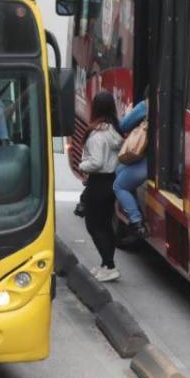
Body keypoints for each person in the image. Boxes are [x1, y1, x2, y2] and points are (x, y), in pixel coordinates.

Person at [78, 91, 123, 282]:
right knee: (105, 224)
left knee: (93, 225)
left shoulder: (97, 135)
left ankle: (110, 266)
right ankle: (105, 264)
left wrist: (82, 165)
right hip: (111, 181)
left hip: (98, 182)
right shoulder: (114, 131)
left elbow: (96, 162)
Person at [114, 98, 148, 238]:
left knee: (119, 186)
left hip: (148, 159)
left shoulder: (145, 105)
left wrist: (127, 113)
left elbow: (123, 126)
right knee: (120, 170)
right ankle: (137, 210)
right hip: (154, 157)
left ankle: (137, 223)